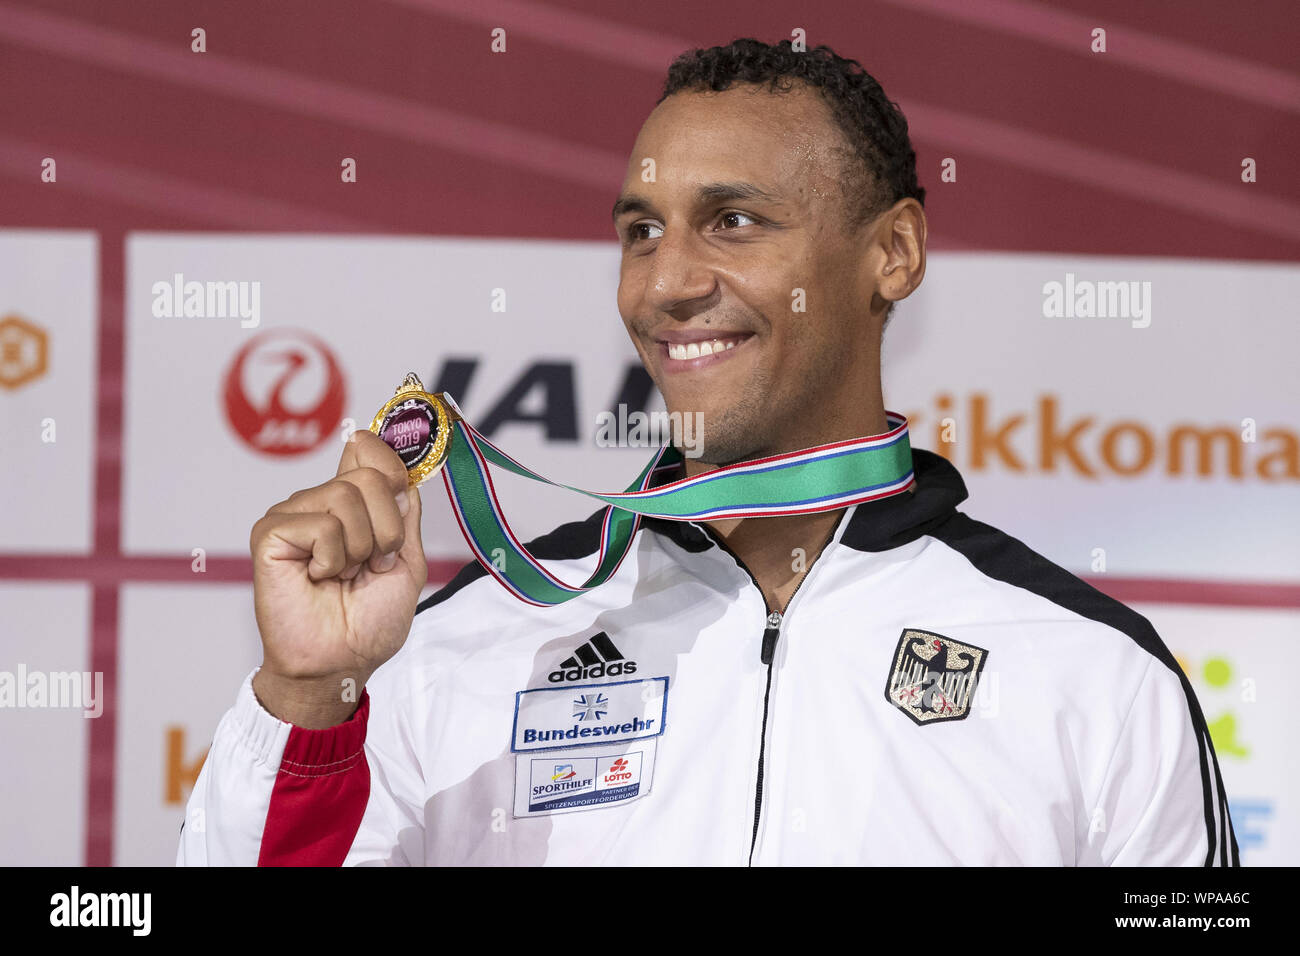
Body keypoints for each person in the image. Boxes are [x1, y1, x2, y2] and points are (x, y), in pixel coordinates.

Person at [178, 38, 1237, 866]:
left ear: (893, 252)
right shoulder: (460, 644)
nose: (664, 282)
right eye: (640, 230)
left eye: (731, 221)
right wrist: (309, 701)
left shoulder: (1092, 671)